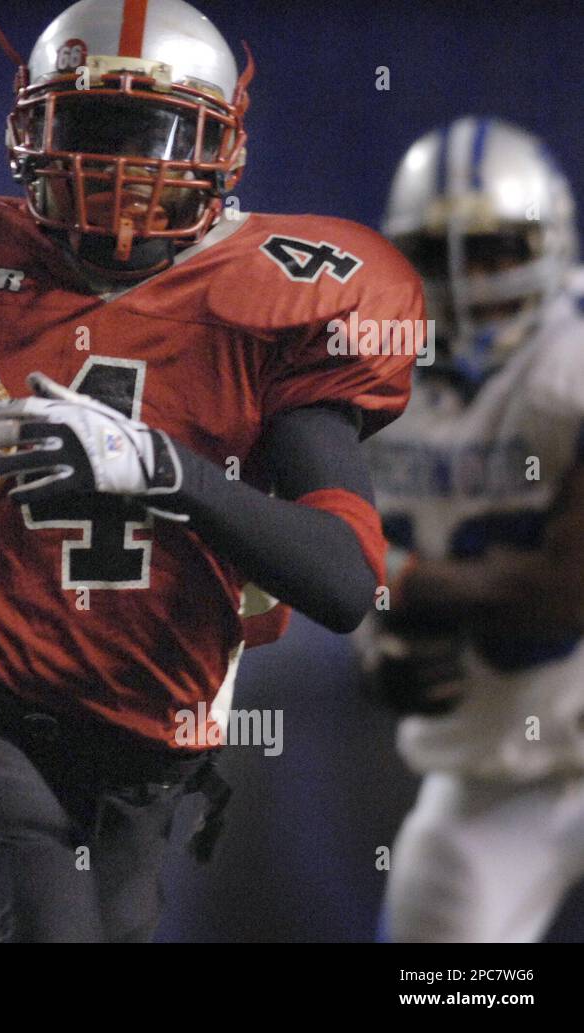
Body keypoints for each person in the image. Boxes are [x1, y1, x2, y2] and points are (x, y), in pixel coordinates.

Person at [0, 0, 422, 942]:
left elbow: (343, 579)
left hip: (142, 767)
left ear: (218, 144)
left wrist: (164, 472)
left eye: (144, 128)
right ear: (31, 126)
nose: (111, 166)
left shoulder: (273, 306)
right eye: (86, 124)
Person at [360, 117, 584, 942]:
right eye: (438, 254)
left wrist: (396, 580)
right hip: (496, 775)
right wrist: (372, 641)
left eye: (495, 249)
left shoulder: (571, 360)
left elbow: (566, 596)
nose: (469, 282)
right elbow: (323, 556)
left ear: (553, 239)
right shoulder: (367, 377)